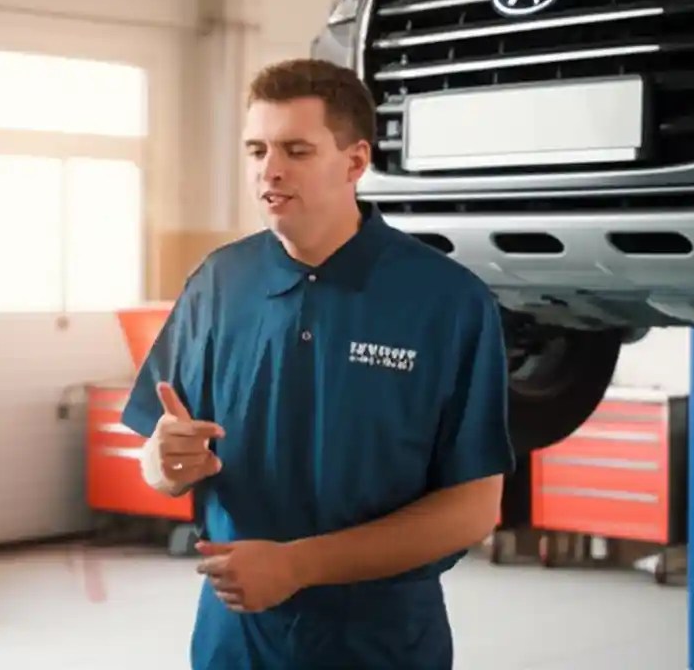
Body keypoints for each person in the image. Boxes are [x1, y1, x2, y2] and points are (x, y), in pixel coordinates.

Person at [122, 58, 515, 669]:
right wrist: (165, 460)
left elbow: (472, 509)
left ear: (355, 162)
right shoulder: (220, 284)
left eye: (296, 150)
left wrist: (298, 565)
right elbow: (159, 458)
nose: (268, 171)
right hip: (236, 640)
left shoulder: (446, 301)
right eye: (256, 149)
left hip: (381, 644)